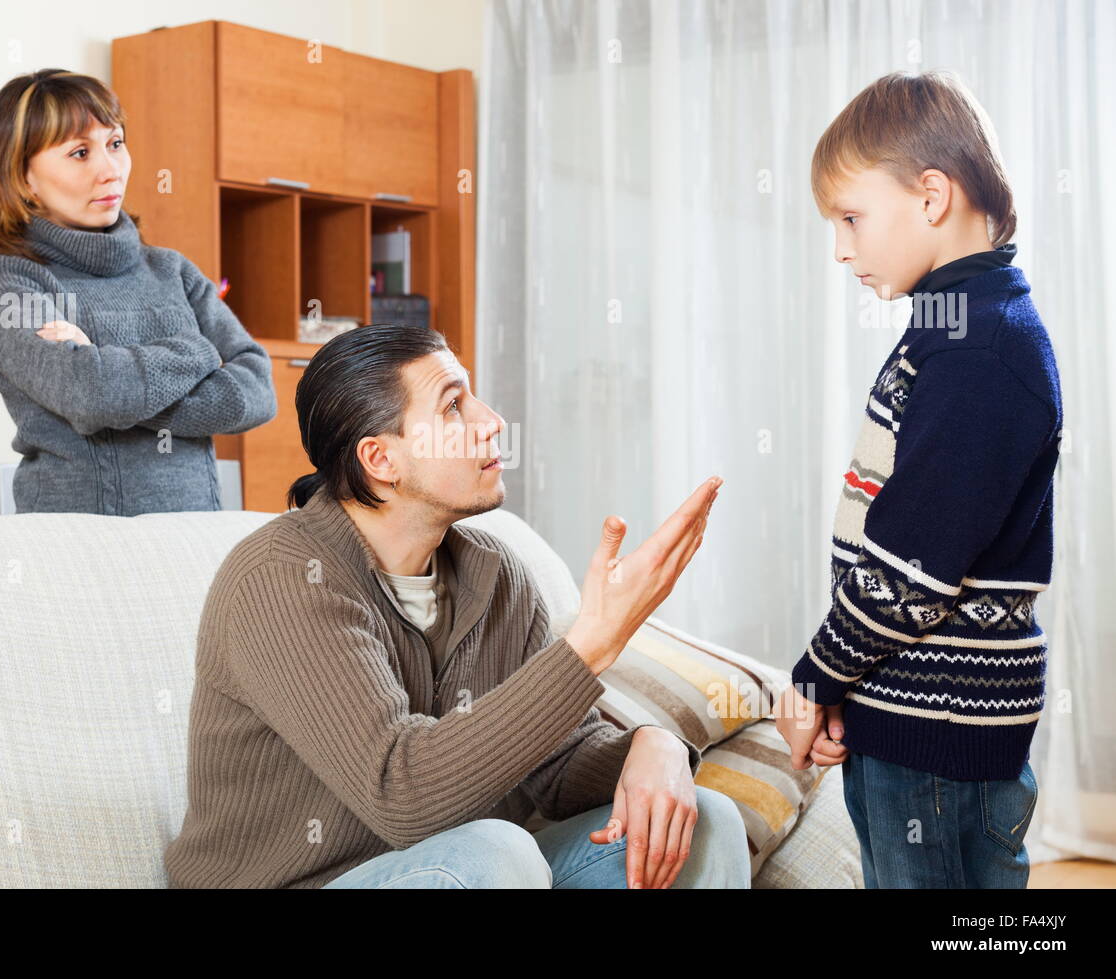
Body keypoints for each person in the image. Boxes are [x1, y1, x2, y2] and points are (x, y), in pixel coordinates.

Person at [164, 324, 749, 888]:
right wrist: (593, 643)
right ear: (381, 460)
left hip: (464, 872)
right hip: (325, 882)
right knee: (495, 850)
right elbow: (404, 796)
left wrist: (655, 745)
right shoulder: (283, 578)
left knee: (708, 819)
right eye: (452, 406)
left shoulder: (494, 574)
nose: (492, 423)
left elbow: (555, 763)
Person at [776, 70, 1062, 889]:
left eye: (850, 218)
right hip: (907, 714)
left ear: (931, 195)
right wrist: (848, 690)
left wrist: (814, 679)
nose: (840, 248)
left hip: (936, 736)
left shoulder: (981, 350)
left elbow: (912, 567)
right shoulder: (955, 325)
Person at [0, 68, 275, 515]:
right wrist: (200, 353)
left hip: (195, 535)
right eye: (79, 153)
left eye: (115, 144)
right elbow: (89, 395)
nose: (109, 171)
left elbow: (258, 392)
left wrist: (112, 377)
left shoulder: (172, 270)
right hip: (76, 546)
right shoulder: (0, 285)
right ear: (22, 177)